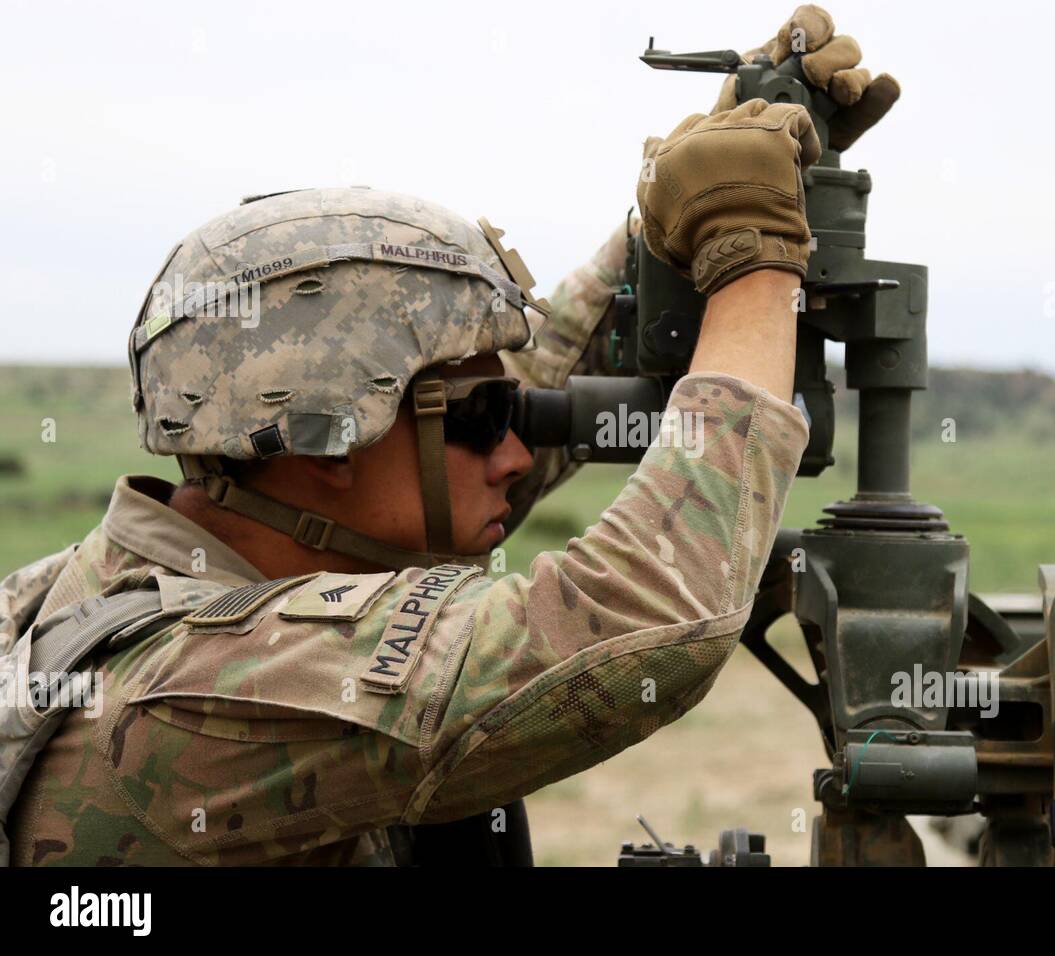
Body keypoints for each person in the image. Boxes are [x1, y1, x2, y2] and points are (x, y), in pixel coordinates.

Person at [0, 6, 896, 865]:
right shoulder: (199, 692)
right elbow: (647, 616)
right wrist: (753, 255)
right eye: (480, 419)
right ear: (330, 443)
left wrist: (684, 205)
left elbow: (502, 405)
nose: (516, 453)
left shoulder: (101, 588)